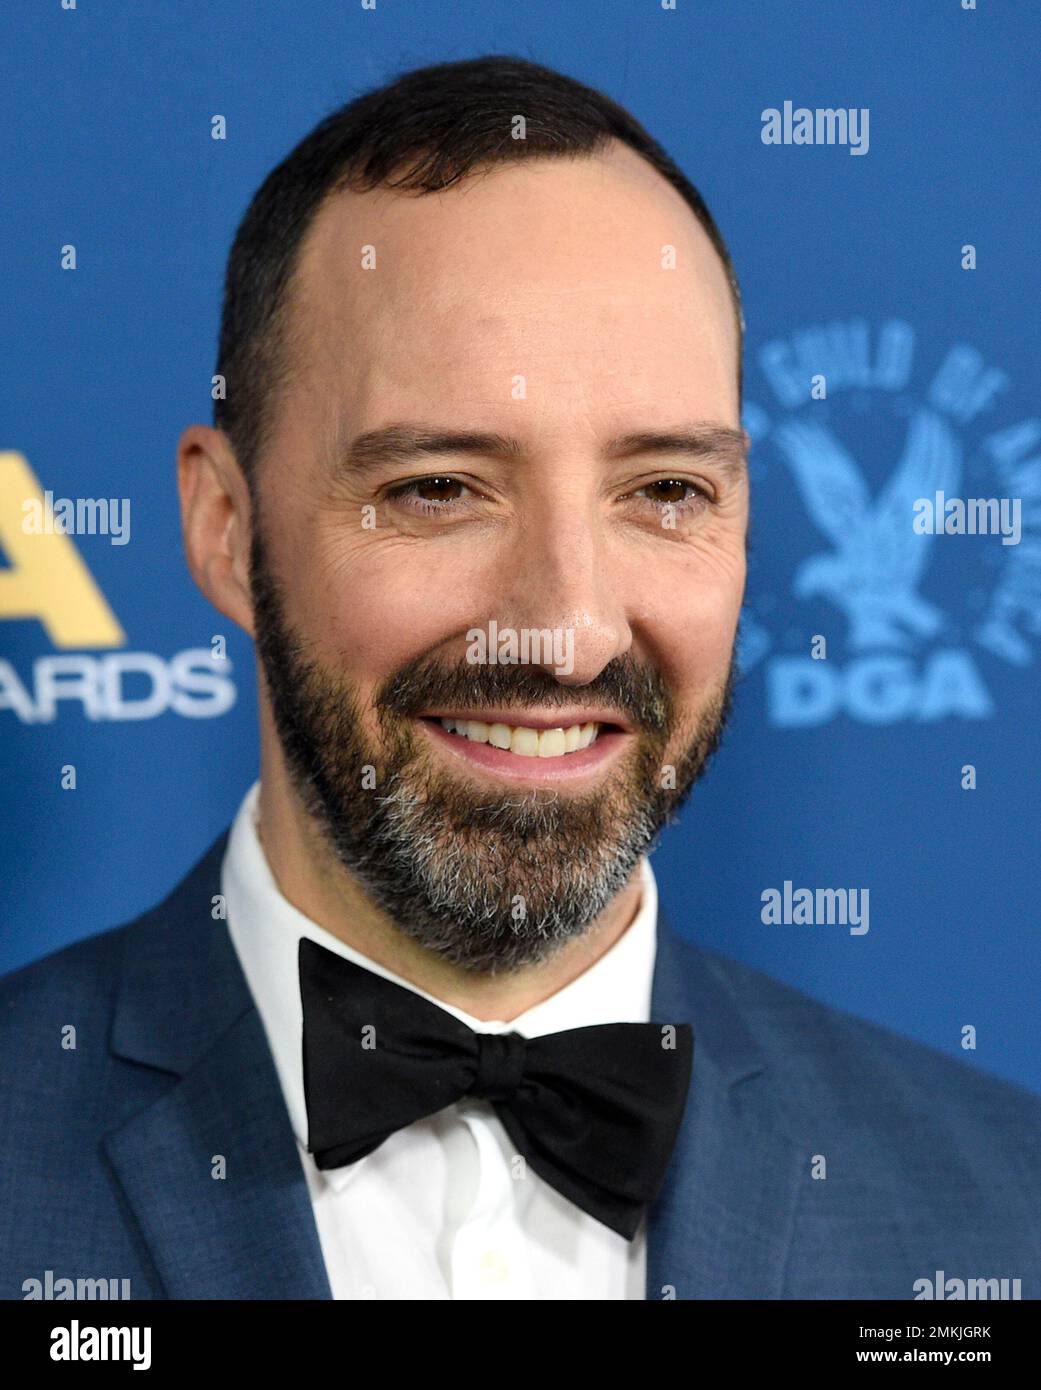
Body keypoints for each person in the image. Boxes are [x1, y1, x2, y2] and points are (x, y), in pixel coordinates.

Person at [3, 54, 1039, 1302]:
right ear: (227, 527)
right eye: (437, 488)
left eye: (665, 491)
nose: (566, 631)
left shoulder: (1000, 1207)